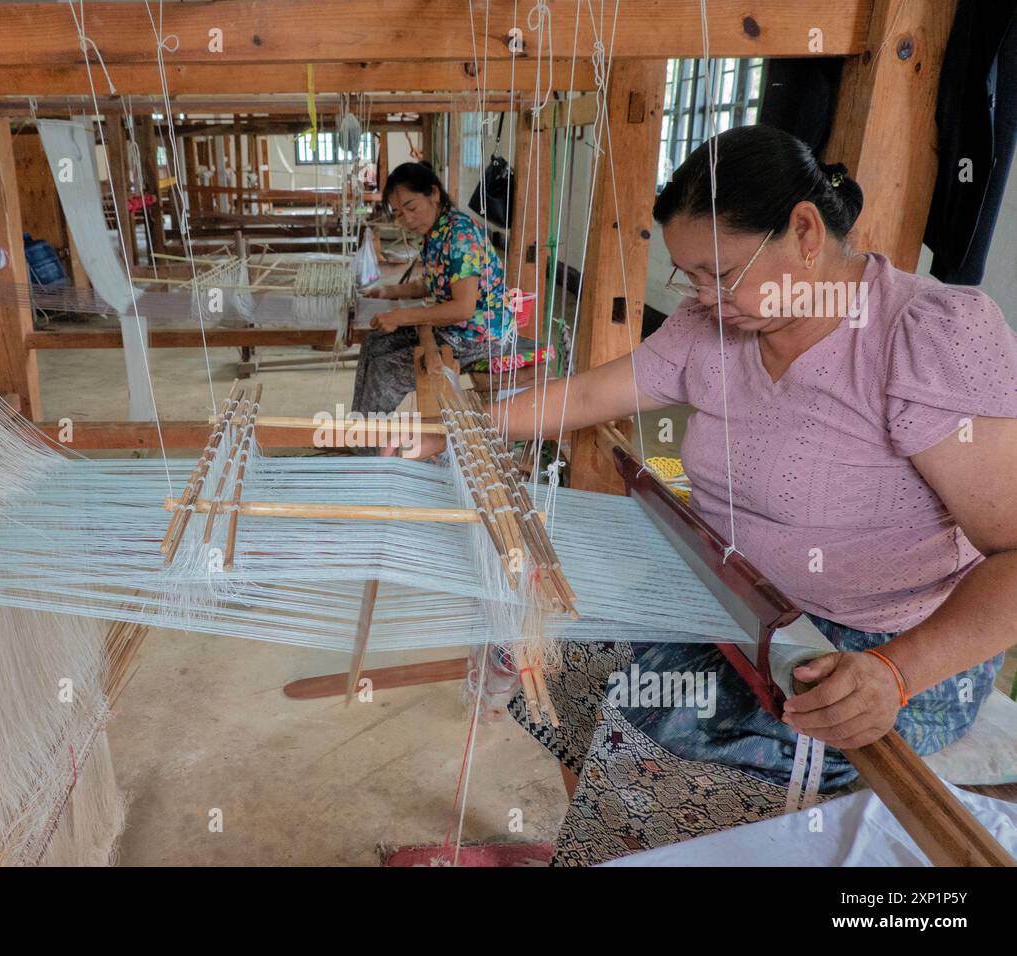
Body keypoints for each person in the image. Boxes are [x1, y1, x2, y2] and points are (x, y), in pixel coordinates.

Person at [489, 124, 1017, 864]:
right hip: (728, 592)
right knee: (564, 653)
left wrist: (895, 673)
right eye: (690, 276)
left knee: (653, 741)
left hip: (866, 649)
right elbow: (588, 397)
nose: (705, 296)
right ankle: (603, 844)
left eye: (721, 272)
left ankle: (628, 842)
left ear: (804, 230)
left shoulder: (923, 338)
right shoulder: (710, 328)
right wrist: (462, 428)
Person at [351, 162, 511, 418]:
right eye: (399, 214)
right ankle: (360, 432)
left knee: (385, 371)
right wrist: (389, 292)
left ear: (434, 193)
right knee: (373, 343)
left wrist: (403, 316)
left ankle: (370, 448)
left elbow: (463, 308)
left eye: (411, 207)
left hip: (479, 336)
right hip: (451, 328)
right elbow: (435, 283)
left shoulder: (460, 235)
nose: (407, 219)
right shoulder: (436, 231)